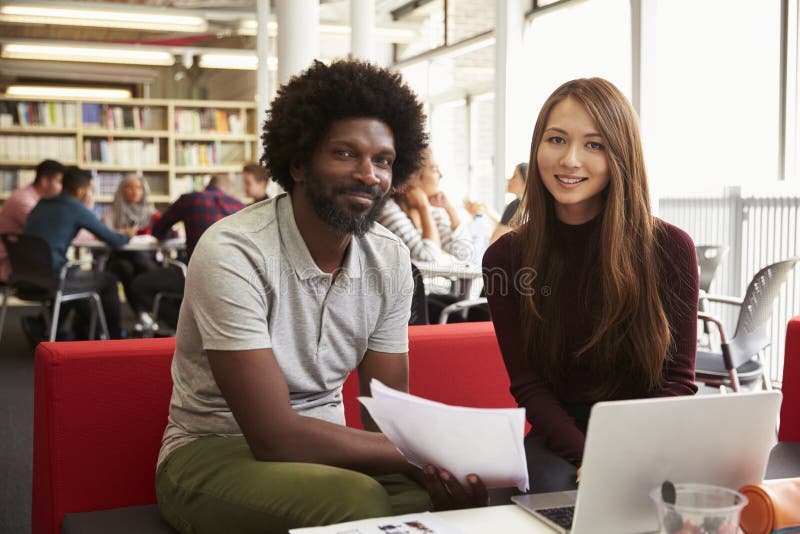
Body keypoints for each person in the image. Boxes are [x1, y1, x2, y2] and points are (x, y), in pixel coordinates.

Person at [155, 60, 486, 534]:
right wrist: (428, 449)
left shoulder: (390, 260)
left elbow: (385, 415)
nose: (369, 175)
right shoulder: (233, 251)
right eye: (345, 153)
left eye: (384, 160)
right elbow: (272, 436)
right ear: (299, 162)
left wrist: (439, 466)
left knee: (452, 496)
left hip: (331, 453)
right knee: (358, 499)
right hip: (211, 451)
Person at [482, 78, 699, 494]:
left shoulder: (669, 247)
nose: (570, 159)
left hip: (651, 432)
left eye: (594, 145)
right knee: (551, 501)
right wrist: (591, 456)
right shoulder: (506, 258)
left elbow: (678, 380)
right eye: (556, 139)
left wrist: (620, 453)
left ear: (621, 153)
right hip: (562, 438)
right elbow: (528, 383)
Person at [24, 166, 133, 339]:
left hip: (24, 276)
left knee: (78, 279)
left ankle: (73, 331)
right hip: (53, 279)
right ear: (80, 190)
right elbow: (114, 240)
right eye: (90, 190)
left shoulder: (41, 204)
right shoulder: (75, 207)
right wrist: (128, 235)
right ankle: (116, 336)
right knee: (108, 281)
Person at [129, 174, 245, 330]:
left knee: (138, 285)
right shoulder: (240, 206)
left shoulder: (191, 199)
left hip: (197, 275)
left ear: (208, 185)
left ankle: (184, 326)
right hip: (235, 280)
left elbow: (158, 230)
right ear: (229, 191)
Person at [378, 148, 471, 263]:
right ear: (414, 178)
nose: (441, 175)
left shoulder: (434, 211)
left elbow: (464, 254)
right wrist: (424, 209)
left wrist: (450, 209)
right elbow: (429, 259)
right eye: (435, 170)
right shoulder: (388, 210)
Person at [101, 176, 160, 315]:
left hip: (145, 257)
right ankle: (141, 313)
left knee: (146, 266)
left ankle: (150, 312)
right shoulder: (111, 214)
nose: (135, 191)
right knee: (125, 268)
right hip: (118, 258)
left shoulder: (152, 213)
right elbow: (103, 234)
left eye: (139, 188)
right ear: (122, 190)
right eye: (130, 187)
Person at [0, 159, 64, 282]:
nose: (62, 188)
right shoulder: (23, 201)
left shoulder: (40, 202)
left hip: (23, 263)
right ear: (45, 181)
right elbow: (52, 230)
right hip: (11, 266)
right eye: (59, 182)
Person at [489, 162, 528, 244]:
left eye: (514, 176)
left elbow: (494, 240)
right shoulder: (529, 206)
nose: (508, 180)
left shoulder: (516, 205)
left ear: (526, 182)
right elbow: (508, 227)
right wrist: (488, 213)